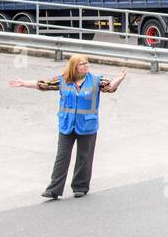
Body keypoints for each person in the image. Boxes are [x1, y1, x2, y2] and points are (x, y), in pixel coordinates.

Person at [10, 55, 127, 200]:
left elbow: (109, 87)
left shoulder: (96, 80)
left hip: (87, 125)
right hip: (67, 124)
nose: (86, 66)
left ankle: (80, 187)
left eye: (86, 63)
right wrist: (24, 83)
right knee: (62, 157)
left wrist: (119, 80)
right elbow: (44, 84)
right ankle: (53, 189)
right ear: (74, 67)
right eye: (82, 64)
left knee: (84, 157)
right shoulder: (63, 80)